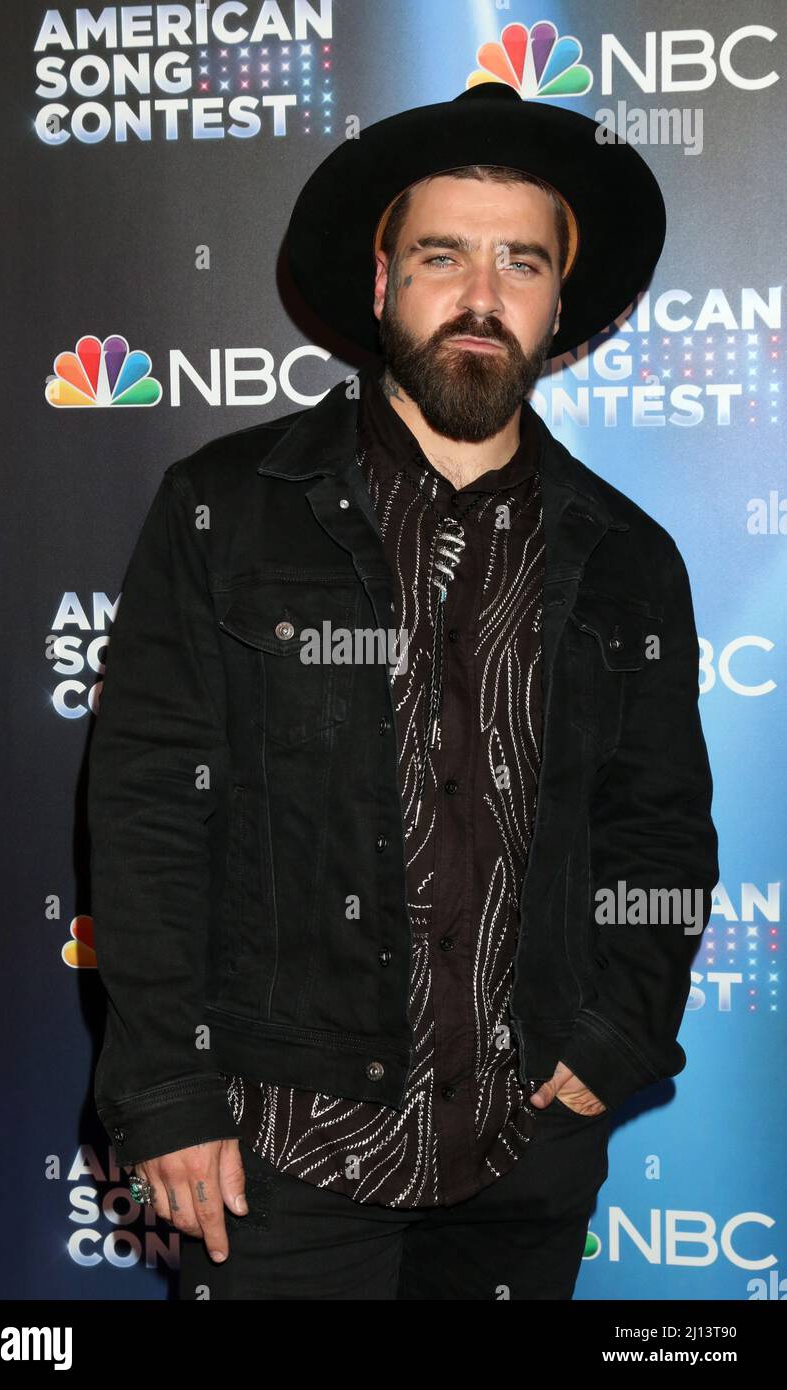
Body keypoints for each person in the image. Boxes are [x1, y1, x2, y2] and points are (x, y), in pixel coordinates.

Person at [87, 83, 719, 1300]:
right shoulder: (225, 509)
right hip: (277, 1160)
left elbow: (659, 826)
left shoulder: (628, 558)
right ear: (382, 283)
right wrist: (168, 1090)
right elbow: (151, 810)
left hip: (521, 1157)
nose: (481, 296)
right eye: (442, 255)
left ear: (557, 306)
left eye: (519, 263)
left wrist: (623, 1023)